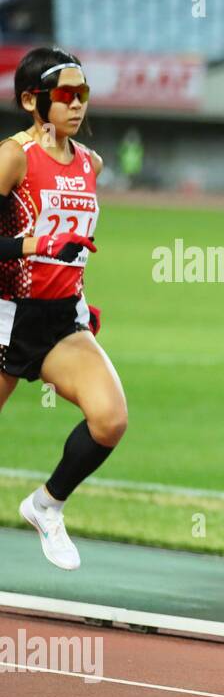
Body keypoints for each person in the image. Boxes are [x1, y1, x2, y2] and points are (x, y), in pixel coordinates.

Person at [0, 46, 111, 572]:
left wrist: (83, 305)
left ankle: (46, 505)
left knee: (110, 419)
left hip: (61, 318)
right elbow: (42, 242)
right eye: (64, 94)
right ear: (30, 100)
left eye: (82, 94)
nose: (76, 103)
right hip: (6, 314)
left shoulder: (91, 163)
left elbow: (76, 249)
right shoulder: (14, 156)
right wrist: (34, 246)